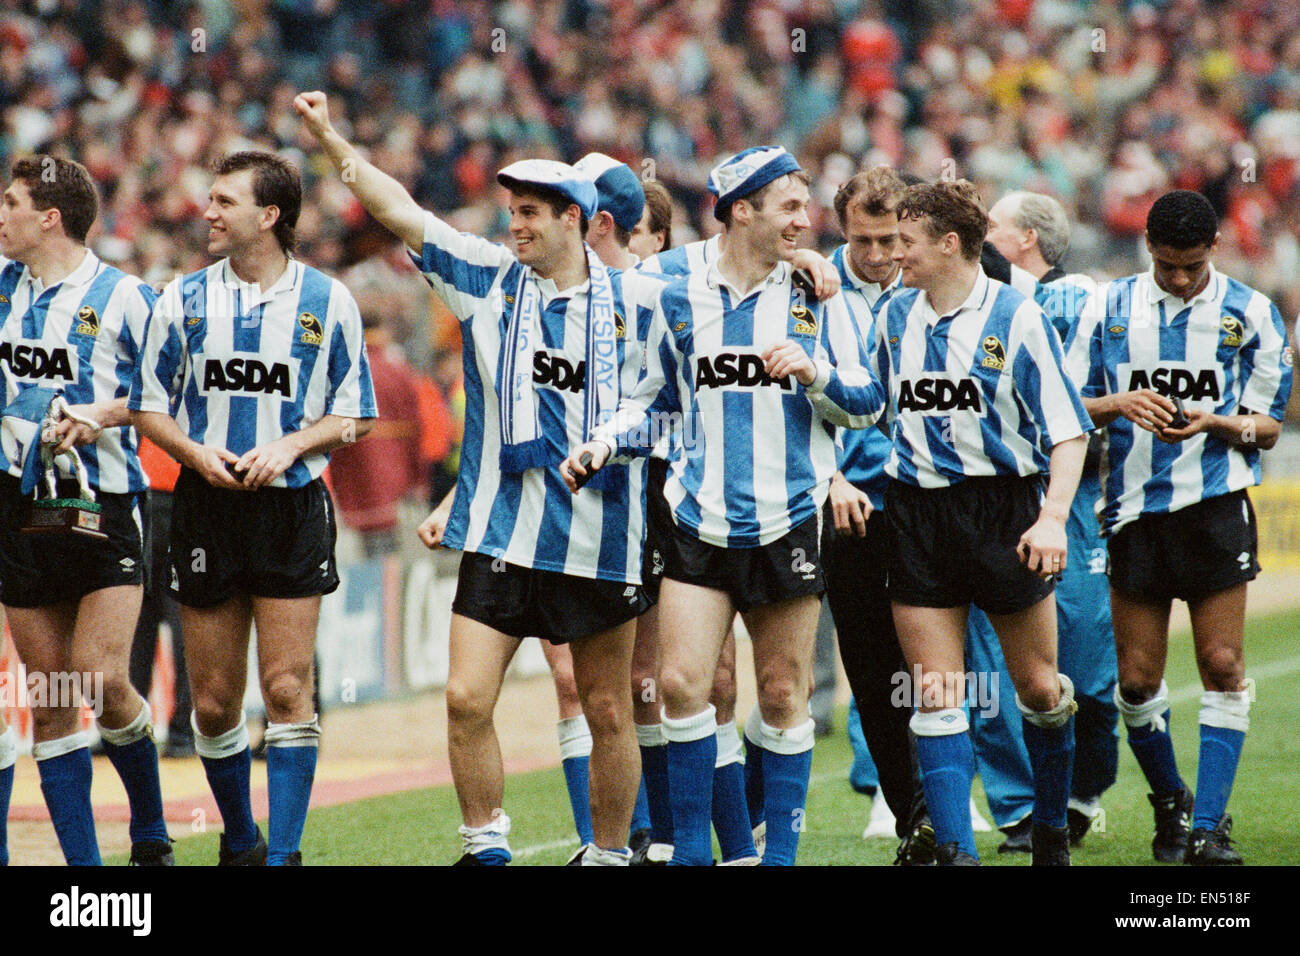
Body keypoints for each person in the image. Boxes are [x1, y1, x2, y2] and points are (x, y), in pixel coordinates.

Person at [294, 90, 666, 866]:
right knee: (465, 698)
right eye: (513, 209)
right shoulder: (487, 279)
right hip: (501, 529)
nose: (516, 224)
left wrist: (611, 442)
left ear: (575, 220)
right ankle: (485, 844)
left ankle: (606, 853)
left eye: (532, 212)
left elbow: (664, 413)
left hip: (601, 538)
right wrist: (331, 139)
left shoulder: (640, 301)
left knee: (606, 706)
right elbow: (400, 212)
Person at [564, 146, 879, 866]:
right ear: (743, 211)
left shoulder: (819, 293)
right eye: (791, 207)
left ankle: (777, 859)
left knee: (778, 693)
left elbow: (869, 403)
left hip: (789, 516)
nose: (807, 220)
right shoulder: (670, 285)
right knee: (680, 684)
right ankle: (699, 855)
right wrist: (604, 443)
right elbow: (649, 399)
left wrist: (817, 371)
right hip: (697, 517)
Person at [130, 149, 377, 866]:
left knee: (287, 686)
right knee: (211, 701)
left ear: (269, 216)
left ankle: (284, 855)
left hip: (291, 507)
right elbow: (148, 406)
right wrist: (196, 455)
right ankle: (240, 836)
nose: (207, 212)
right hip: (205, 505)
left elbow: (355, 412)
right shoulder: (181, 300)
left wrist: (294, 444)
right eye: (208, 199)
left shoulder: (328, 302)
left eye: (223, 201)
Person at [1063, 189, 1292, 865]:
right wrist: (1118, 403)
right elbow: (1067, 403)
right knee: (1135, 680)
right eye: (1168, 265)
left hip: (1216, 510)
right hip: (1134, 513)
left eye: (1192, 265)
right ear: (1149, 252)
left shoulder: (1251, 313)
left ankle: (1209, 829)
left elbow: (1270, 426)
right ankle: (1170, 800)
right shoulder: (1107, 308)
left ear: (1214, 248)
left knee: (1221, 664)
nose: (1181, 278)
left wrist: (1218, 422)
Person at [874, 180, 1092, 866]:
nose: (893, 254)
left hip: (1005, 513)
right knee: (935, 693)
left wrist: (1053, 518)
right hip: (917, 514)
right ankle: (958, 854)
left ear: (948, 244)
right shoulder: (890, 317)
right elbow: (863, 404)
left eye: (904, 241)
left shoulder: (1016, 316)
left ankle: (1050, 828)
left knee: (1037, 689)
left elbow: (1068, 430)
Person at [0, 155, 171, 866]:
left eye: (9, 203)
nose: (0, 216)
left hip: (103, 504)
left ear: (50, 217)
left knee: (101, 676)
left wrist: (98, 414)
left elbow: (170, 400)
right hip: (18, 507)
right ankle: (85, 873)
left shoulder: (129, 298)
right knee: (53, 696)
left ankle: (151, 833)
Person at [986, 190, 1120, 845]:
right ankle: (1019, 810)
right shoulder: (974, 307)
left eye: (992, 228)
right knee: (992, 669)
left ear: (1028, 239)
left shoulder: (1083, 302)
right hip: (991, 500)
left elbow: (1073, 404)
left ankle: (1085, 787)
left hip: (1074, 500)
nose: (979, 238)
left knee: (1089, 670)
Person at [129, 436, 196, 758]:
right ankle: (133, 727)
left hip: (174, 490)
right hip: (151, 490)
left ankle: (180, 729)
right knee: (143, 613)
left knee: (174, 615)